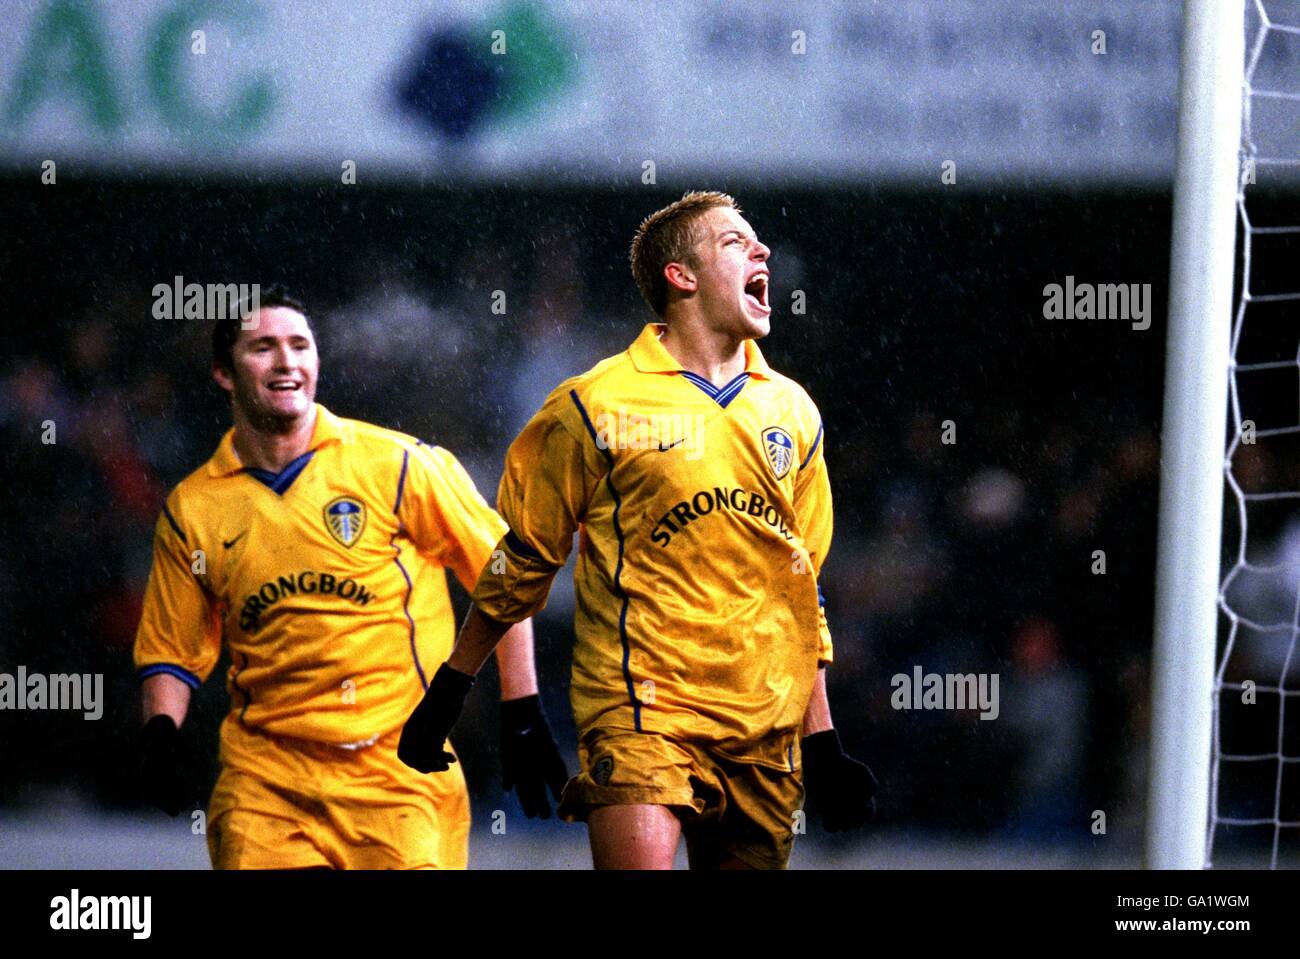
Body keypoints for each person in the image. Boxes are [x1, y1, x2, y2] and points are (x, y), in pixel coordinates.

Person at [400, 192, 877, 870]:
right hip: (641, 708)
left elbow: (801, 593)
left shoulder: (792, 412)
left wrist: (823, 739)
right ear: (681, 276)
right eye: (738, 242)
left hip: (761, 729)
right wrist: (454, 687)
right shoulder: (596, 403)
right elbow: (525, 559)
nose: (762, 250)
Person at [134, 288, 566, 869]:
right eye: (264, 347)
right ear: (223, 373)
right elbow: (171, 652)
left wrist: (522, 710)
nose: (286, 360)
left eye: (300, 345)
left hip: (402, 773)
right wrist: (162, 733)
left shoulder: (397, 465)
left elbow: (505, 576)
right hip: (266, 785)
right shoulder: (194, 509)